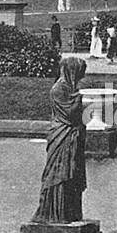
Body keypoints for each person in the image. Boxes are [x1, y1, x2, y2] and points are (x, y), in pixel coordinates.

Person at [30, 56, 89, 223]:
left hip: (71, 136)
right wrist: (79, 98)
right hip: (62, 135)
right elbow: (69, 114)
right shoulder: (59, 89)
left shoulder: (69, 88)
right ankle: (53, 214)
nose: (82, 77)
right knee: (59, 174)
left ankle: (69, 213)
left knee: (72, 175)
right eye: (80, 73)